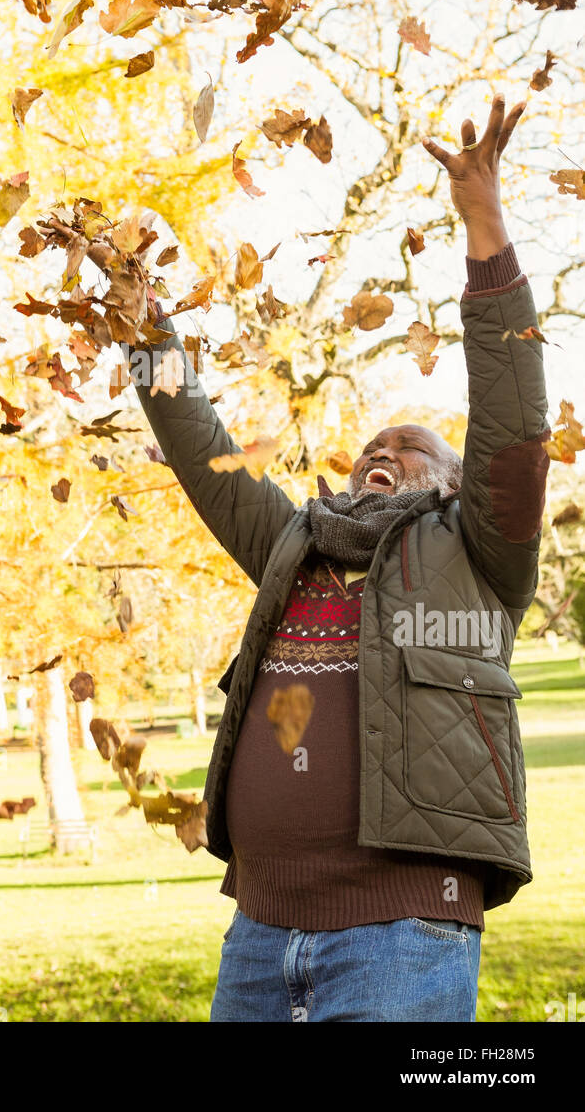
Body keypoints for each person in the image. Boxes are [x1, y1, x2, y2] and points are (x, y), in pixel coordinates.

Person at [124, 95, 549, 1022]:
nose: (381, 453)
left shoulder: (477, 556)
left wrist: (484, 224)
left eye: (411, 448)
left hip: (403, 938)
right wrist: (147, 337)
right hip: (259, 937)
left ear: (448, 486)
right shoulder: (293, 544)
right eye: (370, 449)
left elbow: (513, 427)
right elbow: (205, 458)